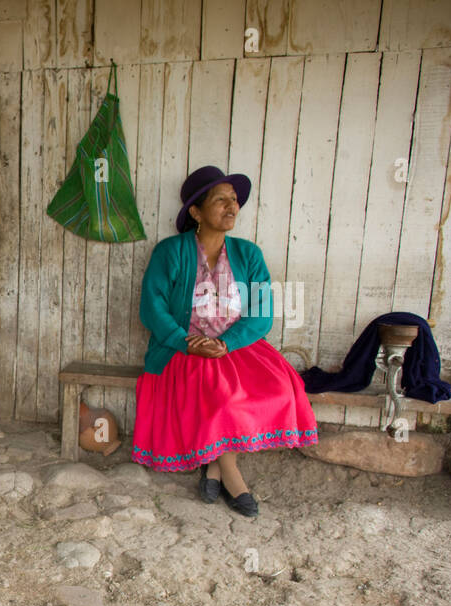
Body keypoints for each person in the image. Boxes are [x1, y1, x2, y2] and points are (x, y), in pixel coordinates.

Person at [132, 165, 318, 518]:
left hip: (238, 347)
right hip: (182, 348)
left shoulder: (249, 254)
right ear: (196, 212)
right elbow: (151, 307)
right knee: (222, 395)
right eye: (221, 200)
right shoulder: (170, 251)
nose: (231, 207)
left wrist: (226, 344)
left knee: (279, 389)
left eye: (234, 200)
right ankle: (232, 477)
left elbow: (261, 314)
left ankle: (213, 468)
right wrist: (185, 341)